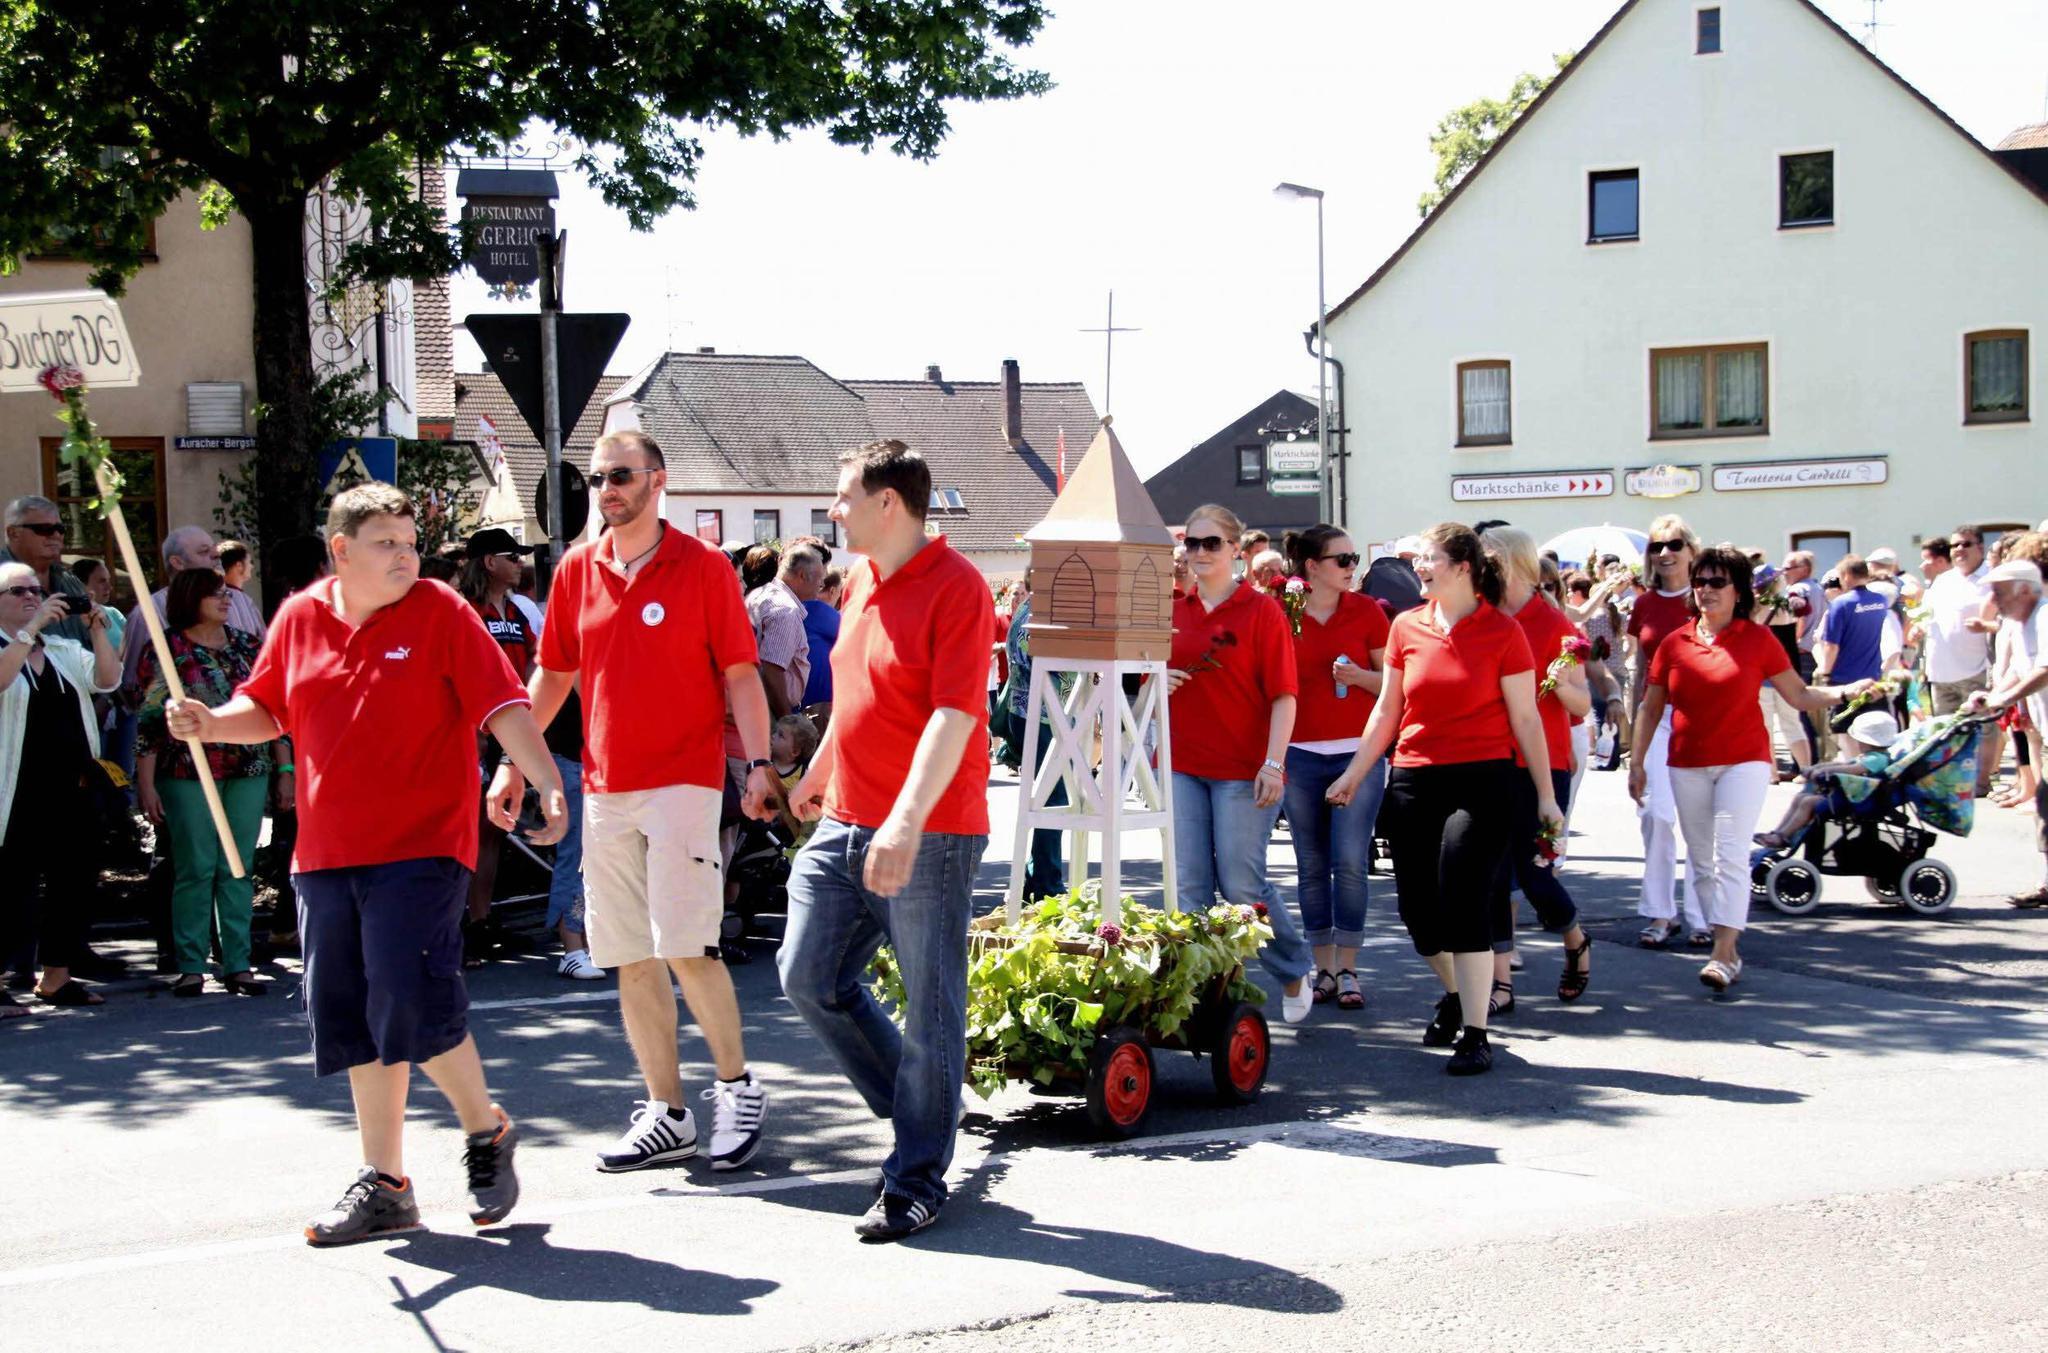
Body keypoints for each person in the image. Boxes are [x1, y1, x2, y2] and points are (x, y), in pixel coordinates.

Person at [167, 483, 565, 1243]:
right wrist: (211, 720)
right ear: (341, 550)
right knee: (353, 1015)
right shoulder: (300, 616)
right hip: (326, 850)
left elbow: (502, 703)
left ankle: (485, 1129)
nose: (407, 556)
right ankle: (386, 1183)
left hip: (422, 841)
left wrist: (544, 779)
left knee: (407, 998)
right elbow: (269, 708)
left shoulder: (441, 611)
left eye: (411, 541)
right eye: (387, 542)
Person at [499, 430, 778, 1175]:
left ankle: (736, 1087)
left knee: (687, 945)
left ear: (658, 480)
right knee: (629, 956)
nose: (605, 490)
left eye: (619, 475)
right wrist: (513, 764)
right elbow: (552, 675)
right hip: (605, 788)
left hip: (683, 782)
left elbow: (743, 676)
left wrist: (755, 763)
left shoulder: (704, 568)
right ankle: (668, 1112)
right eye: (596, 478)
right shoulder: (576, 572)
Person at [778, 440, 995, 1242]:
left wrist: (905, 819)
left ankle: (916, 1176)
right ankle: (922, 1106)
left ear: (887, 504)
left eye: (842, 496)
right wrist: (819, 770)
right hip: (843, 818)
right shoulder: (864, 577)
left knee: (933, 1011)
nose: (833, 510)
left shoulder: (960, 588)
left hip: (927, 829)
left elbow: (954, 715)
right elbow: (859, 693)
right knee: (807, 974)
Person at [1326, 523, 1557, 1076]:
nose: (1419, 568)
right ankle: (1457, 996)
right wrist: (1355, 774)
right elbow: (1387, 710)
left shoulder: (1503, 632)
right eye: (1418, 560)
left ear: (1464, 567)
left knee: (1464, 891)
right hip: (1414, 776)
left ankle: (1477, 1033)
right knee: (1418, 913)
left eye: (1429, 560)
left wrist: (1547, 797)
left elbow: (1526, 718)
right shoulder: (1407, 625)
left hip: (1483, 779)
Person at [1629, 546, 1862, 991]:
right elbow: (1651, 705)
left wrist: (1847, 692)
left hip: (1744, 760)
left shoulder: (1758, 640)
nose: (1706, 590)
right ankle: (1727, 947)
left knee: (1730, 854)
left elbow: (1800, 695)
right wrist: (1637, 763)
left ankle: (1723, 951)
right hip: (1687, 761)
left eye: (1717, 582)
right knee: (1700, 860)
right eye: (1700, 582)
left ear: (1738, 591)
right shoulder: (1675, 643)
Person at [1163, 505, 1315, 1026]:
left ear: (1236, 550)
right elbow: (1136, 676)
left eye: (1211, 543)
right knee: (1189, 890)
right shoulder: (1172, 608)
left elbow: (1284, 696)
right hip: (1181, 764)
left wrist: (1274, 763)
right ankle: (1208, 993)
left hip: (1242, 768)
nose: (1199, 553)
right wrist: (1151, 683)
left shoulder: (1261, 611)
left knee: (1242, 886)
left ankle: (1294, 968)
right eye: (1192, 543)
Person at [135, 567, 279, 997]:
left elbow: (275, 712)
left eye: (226, 591)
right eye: (214, 592)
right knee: (195, 866)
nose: (226, 598)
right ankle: (191, 964)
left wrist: (285, 771)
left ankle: (238, 963)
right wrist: (146, 783)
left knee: (237, 865)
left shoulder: (248, 646)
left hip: (248, 768)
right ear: (190, 597)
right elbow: (148, 722)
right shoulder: (167, 648)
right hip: (186, 772)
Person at [1480, 527, 1595, 1009]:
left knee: (1535, 875)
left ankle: (1575, 939)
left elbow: (1582, 704)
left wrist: (1553, 684)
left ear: (1513, 564)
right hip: (1487, 759)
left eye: (1490, 561)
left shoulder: (1555, 625)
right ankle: (1500, 981)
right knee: (1490, 877)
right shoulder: (1481, 617)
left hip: (1543, 764)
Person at [0, 559, 120, 1012]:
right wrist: (28, 630)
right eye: (18, 591)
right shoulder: (10, 646)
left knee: (72, 883)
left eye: (35, 589)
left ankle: (56, 977)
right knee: (10, 886)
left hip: (72, 787)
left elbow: (107, 680)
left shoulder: (61, 651)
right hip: (13, 790)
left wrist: (95, 630)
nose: (32, 596)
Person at [1278, 524, 1388, 1012]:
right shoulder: (1285, 611)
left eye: (1352, 559)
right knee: (1311, 864)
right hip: (1299, 754)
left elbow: (1394, 683)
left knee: (1349, 860)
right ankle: (1320, 966)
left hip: (1356, 752)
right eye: (1342, 559)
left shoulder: (1367, 611)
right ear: (1313, 567)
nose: (1351, 568)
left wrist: (1361, 676)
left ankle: (1348, 968)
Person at [456, 527, 539, 967]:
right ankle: (455, 925)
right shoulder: (465, 609)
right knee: (467, 835)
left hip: (508, 736)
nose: (520, 562)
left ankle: (480, 921)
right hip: (472, 736)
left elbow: (535, 665)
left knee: (492, 833)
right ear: (489, 562)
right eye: (512, 556)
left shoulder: (516, 610)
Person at [1629, 515, 1707, 948]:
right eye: (1657, 547)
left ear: (1691, 550)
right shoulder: (1645, 604)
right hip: (1656, 718)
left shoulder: (1708, 597)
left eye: (1674, 544)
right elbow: (1640, 667)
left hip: (1701, 719)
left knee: (1699, 821)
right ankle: (1661, 913)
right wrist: (1631, 733)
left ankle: (1701, 916)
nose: (1665, 553)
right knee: (1656, 815)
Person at [1968, 560, 2048, 906]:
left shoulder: (2045, 617)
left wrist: (2004, 698)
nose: (1994, 601)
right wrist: (1993, 697)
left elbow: (2045, 669)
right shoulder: (2018, 624)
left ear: (2025, 590)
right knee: (2045, 806)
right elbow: (2018, 670)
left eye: (2000, 593)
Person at [1002, 575, 1067, 900]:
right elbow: (1033, 657)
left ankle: (1036, 874)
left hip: (1039, 714)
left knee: (1047, 797)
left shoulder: (1036, 605)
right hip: (1039, 716)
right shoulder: (1039, 610)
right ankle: (1046, 881)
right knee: (1051, 798)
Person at [1754, 709, 1902, 849]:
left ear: (1867, 741)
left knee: (1807, 802)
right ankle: (1779, 833)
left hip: (1857, 800)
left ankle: (1783, 835)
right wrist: (1818, 768)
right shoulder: (1871, 756)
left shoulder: (1877, 759)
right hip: (1850, 796)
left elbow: (1851, 769)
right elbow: (1844, 764)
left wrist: (1824, 772)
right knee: (1801, 797)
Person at [1924, 526, 1998, 793]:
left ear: (1980, 547)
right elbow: (1928, 615)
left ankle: (1981, 782)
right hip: (1940, 668)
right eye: (1955, 545)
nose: (1959, 550)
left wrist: (1987, 624)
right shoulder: (1943, 580)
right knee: (1945, 731)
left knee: (1983, 729)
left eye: (1966, 544)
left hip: (1976, 668)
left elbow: (2005, 620)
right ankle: (1952, 782)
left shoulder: (1991, 579)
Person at [0, 495, 91, 644]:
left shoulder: (70, 581)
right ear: (13, 533)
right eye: (44, 529)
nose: (56, 535)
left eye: (60, 529)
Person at [801, 565, 843, 731]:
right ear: (833, 591)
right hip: (821, 702)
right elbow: (852, 633)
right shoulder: (820, 610)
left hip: (803, 699)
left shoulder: (801, 606)